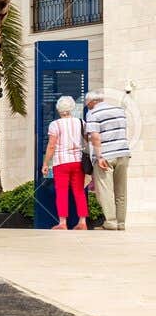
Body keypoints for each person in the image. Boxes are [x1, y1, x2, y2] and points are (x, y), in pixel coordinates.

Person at [85, 87, 133, 230]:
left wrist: (99, 156)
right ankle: (121, 223)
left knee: (105, 190)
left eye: (87, 103)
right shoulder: (119, 111)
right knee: (121, 190)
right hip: (123, 154)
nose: (87, 106)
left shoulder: (93, 113)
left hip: (105, 156)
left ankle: (111, 222)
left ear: (92, 102)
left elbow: (95, 136)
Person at [41, 95, 91, 231]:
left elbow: (51, 145)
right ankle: (82, 222)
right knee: (79, 191)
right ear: (72, 108)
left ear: (58, 109)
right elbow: (87, 141)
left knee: (62, 192)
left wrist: (46, 163)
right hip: (78, 161)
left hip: (61, 162)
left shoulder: (55, 124)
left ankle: (63, 223)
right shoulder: (81, 123)